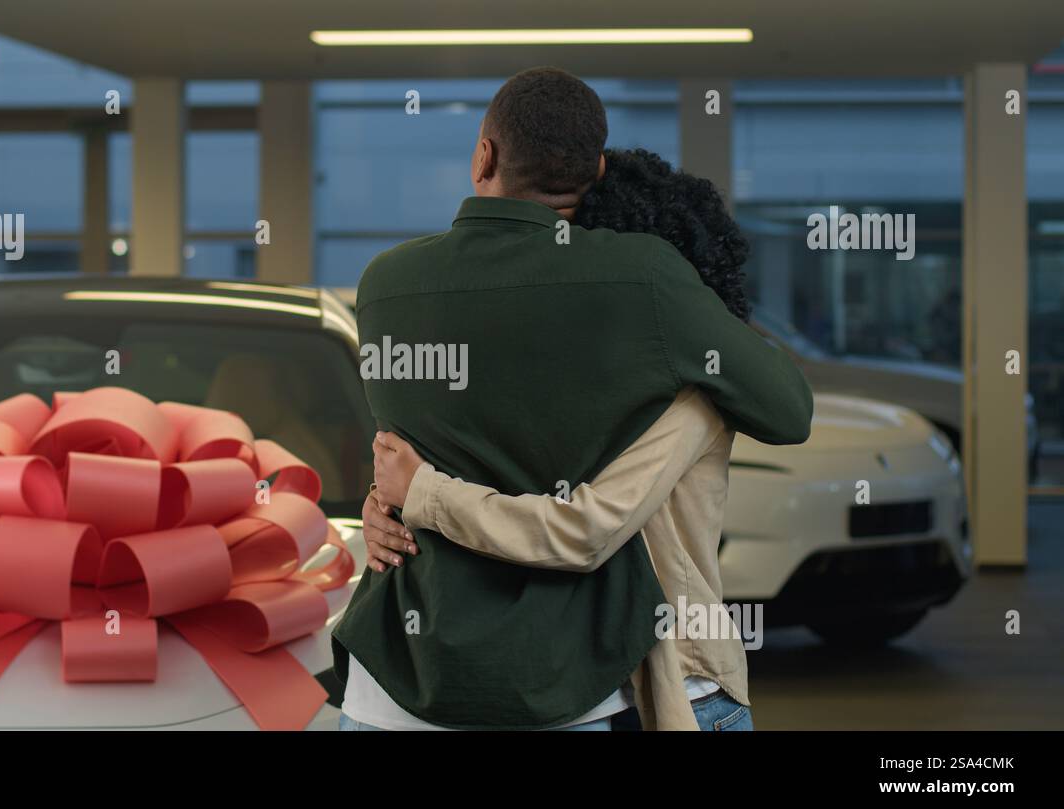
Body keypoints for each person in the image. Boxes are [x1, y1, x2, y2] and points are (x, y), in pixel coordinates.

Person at [331, 68, 813, 731]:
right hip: (563, 683)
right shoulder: (641, 277)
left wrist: (393, 498)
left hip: (393, 681)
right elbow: (788, 410)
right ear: (597, 169)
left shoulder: (384, 284)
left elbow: (417, 450)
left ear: (484, 155)